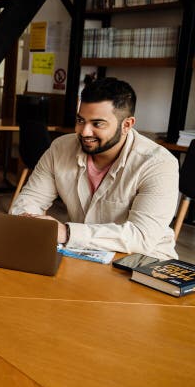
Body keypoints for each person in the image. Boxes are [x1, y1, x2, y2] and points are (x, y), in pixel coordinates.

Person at [10, 77, 179, 259]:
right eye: (80, 120)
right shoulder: (60, 148)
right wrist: (28, 220)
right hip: (81, 253)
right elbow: (30, 200)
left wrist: (67, 232)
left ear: (126, 125)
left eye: (97, 124)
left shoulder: (158, 164)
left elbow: (141, 237)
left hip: (142, 260)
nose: (84, 132)